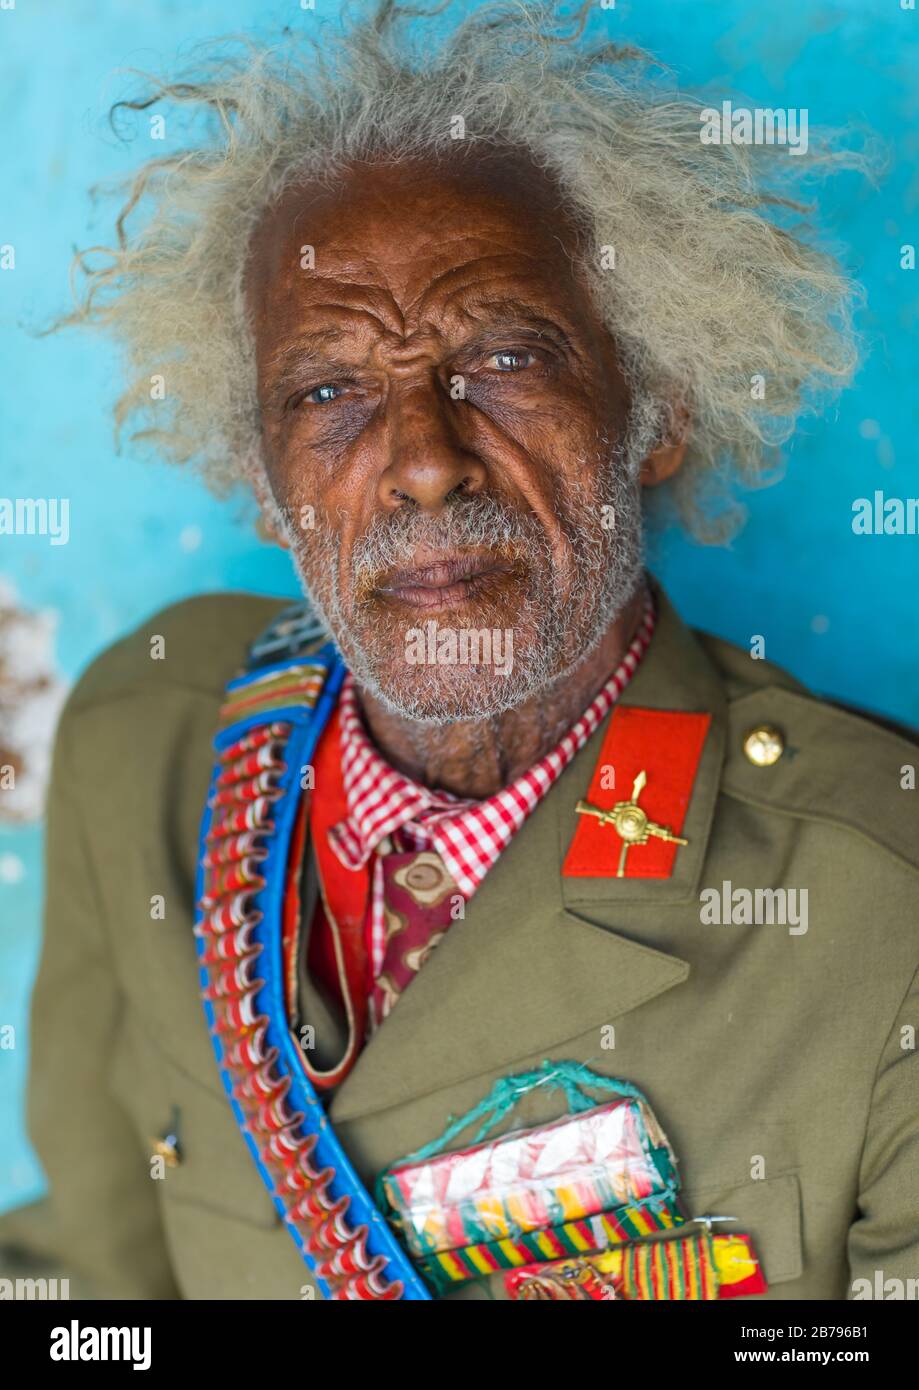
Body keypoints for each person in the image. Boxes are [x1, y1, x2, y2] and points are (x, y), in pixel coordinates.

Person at [2, 1, 916, 1302]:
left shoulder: (883, 908)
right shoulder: (148, 744)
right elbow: (100, 1286)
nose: (425, 463)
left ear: (652, 410)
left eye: (503, 355)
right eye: (329, 392)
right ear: (263, 482)